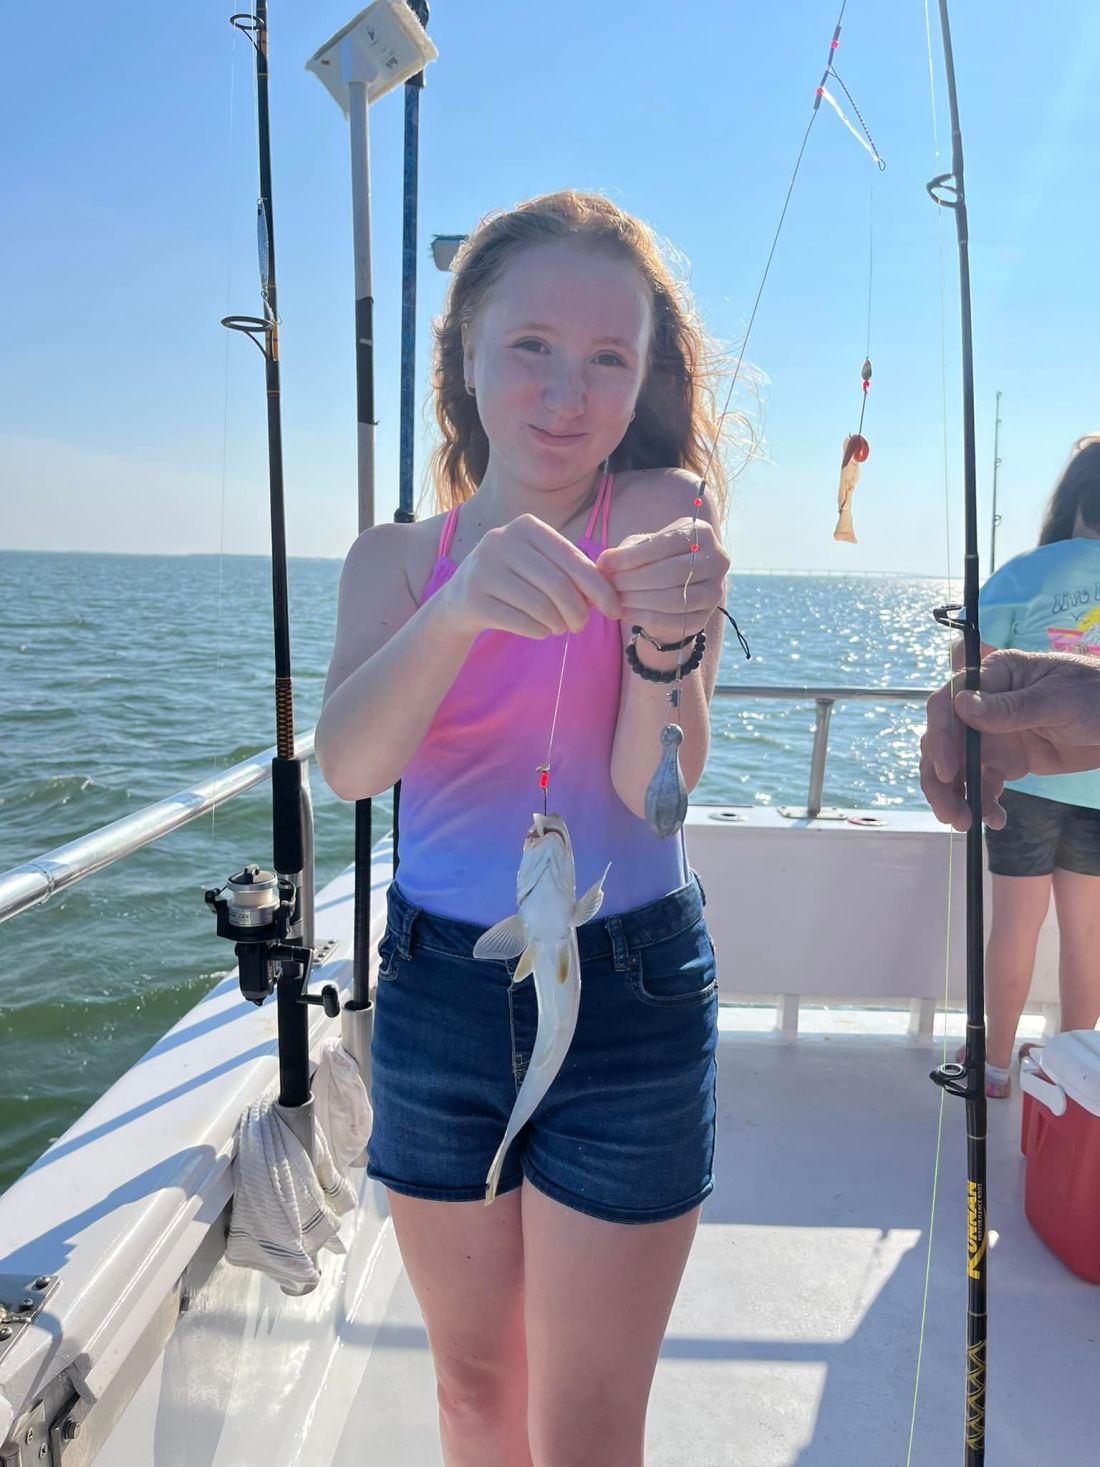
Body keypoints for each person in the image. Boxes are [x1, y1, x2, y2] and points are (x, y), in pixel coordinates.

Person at [315, 191, 733, 1467]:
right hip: (443, 990)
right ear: (465, 356)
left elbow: (650, 794)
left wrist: (662, 647)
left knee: (589, 1423)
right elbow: (346, 768)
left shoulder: (662, 507)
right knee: (473, 1398)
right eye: (531, 346)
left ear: (648, 375)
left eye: (611, 356)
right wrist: (453, 612)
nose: (569, 390)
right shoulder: (391, 561)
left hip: (632, 986)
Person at [920, 437, 1100, 1099]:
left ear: (1075, 503)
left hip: (1022, 780)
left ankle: (993, 1068)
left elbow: (970, 668)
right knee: (1088, 933)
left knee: (1016, 925)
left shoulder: (1028, 570)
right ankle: (1075, 1073)